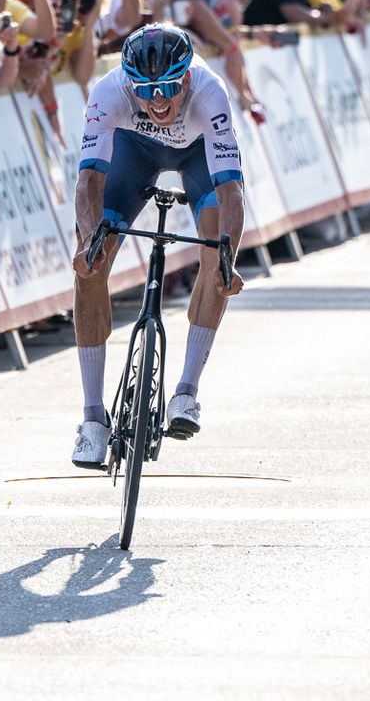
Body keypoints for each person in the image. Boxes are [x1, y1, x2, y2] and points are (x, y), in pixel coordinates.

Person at [70, 24, 246, 469]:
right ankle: (92, 418)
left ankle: (186, 392)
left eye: (169, 86)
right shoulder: (108, 92)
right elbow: (89, 180)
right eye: (146, 90)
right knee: (89, 264)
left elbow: (230, 192)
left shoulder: (210, 92)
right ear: (129, 82)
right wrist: (90, 240)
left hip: (197, 153)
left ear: (187, 77)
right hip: (134, 151)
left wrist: (228, 256)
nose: (159, 100)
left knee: (215, 257)